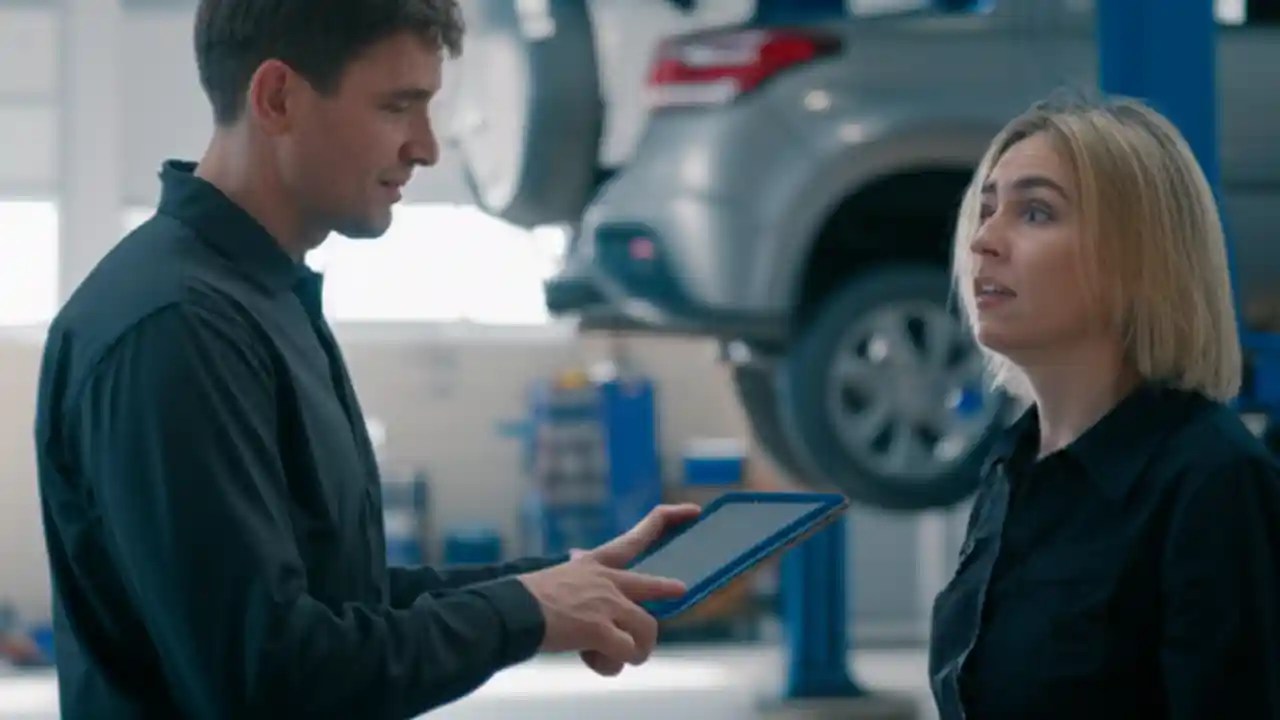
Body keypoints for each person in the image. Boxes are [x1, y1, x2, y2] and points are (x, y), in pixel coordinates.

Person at [32, 1, 699, 718]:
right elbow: (270, 678)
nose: (427, 147)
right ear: (277, 98)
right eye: (397, 106)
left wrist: (560, 585)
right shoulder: (176, 329)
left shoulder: (262, 299)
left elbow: (338, 600)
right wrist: (520, 613)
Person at [929, 95, 1280, 719]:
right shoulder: (1010, 471)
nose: (984, 241)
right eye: (986, 211)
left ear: (1139, 256)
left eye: (1035, 212)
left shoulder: (1213, 483)